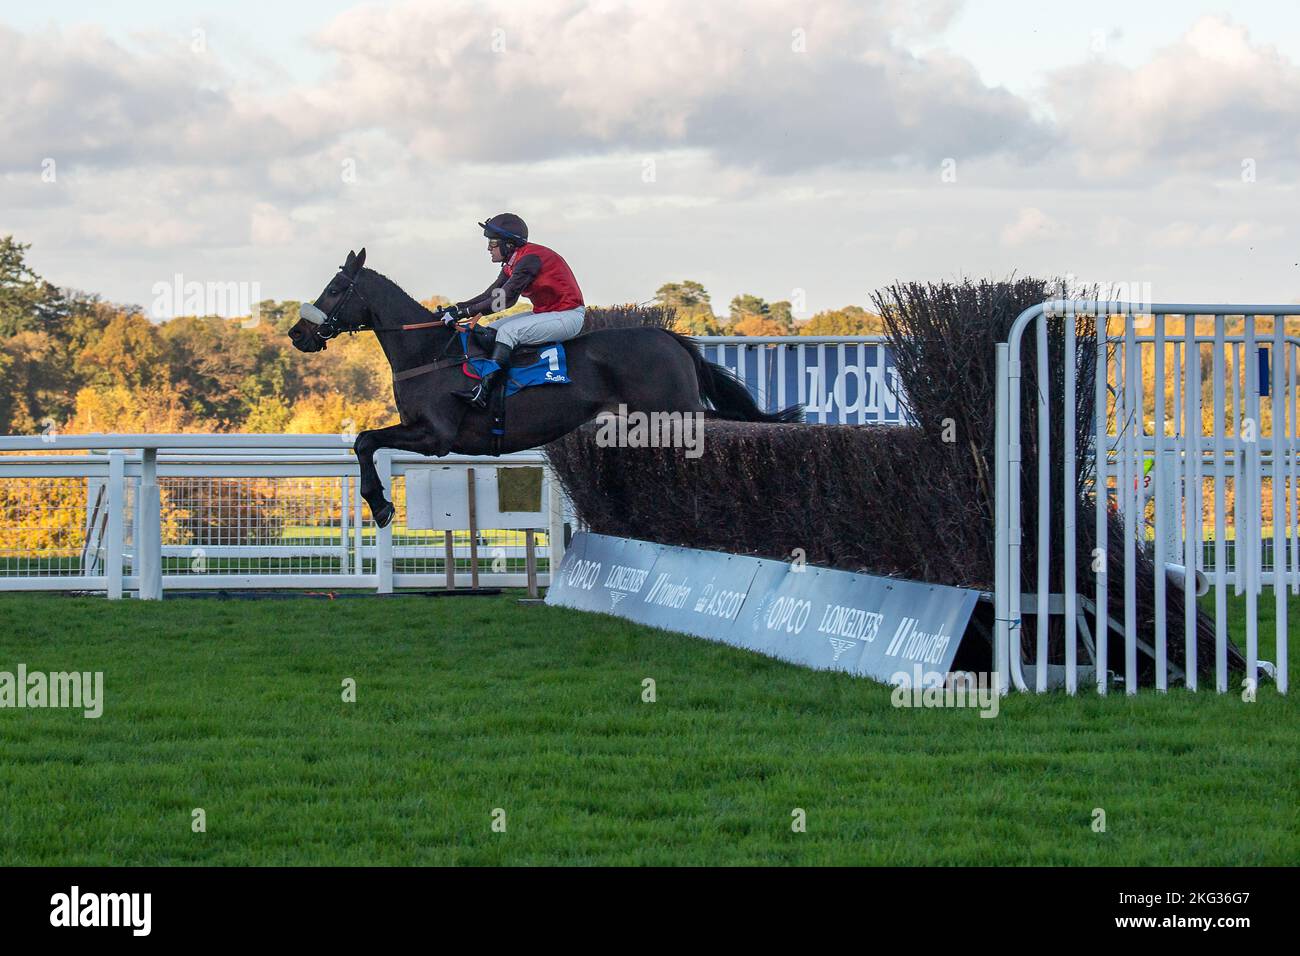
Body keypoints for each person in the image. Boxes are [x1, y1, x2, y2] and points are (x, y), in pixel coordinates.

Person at [445, 214, 586, 408]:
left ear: (509, 245)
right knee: (492, 330)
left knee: (507, 332)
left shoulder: (529, 260)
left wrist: (464, 313)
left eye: (493, 243)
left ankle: (483, 392)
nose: (488, 248)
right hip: (547, 313)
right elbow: (489, 295)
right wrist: (455, 308)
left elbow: (503, 300)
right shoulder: (513, 263)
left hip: (568, 315)